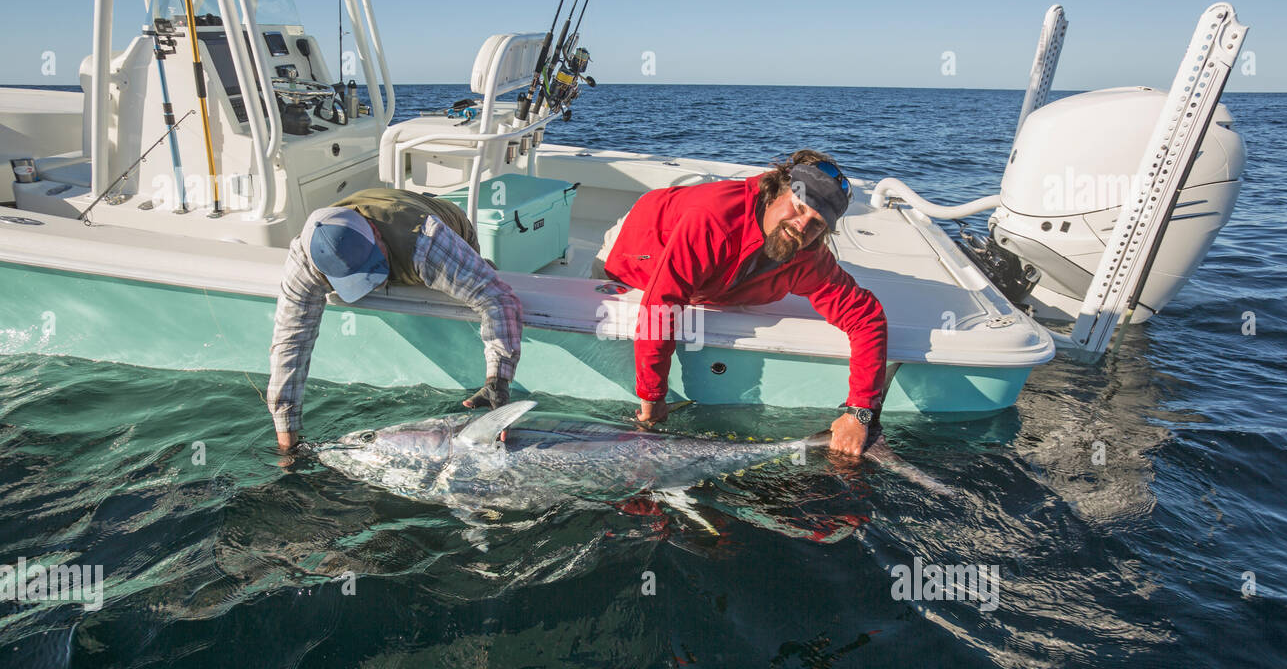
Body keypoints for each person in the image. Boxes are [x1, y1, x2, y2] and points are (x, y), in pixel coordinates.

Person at [594, 150, 888, 456]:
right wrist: (653, 397)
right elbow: (661, 304)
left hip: (708, 282)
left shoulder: (807, 254)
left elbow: (865, 317)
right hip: (640, 245)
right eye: (799, 207)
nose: (802, 226)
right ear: (776, 190)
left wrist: (860, 413)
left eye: (816, 224)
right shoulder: (713, 219)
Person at [268, 187, 522, 452]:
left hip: (443, 227)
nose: (373, 286)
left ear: (375, 233)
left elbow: (498, 299)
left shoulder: (427, 242)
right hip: (399, 229)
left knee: (480, 280)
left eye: (373, 264)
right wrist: (287, 441)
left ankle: (474, 265)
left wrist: (498, 381)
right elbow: (291, 342)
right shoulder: (307, 259)